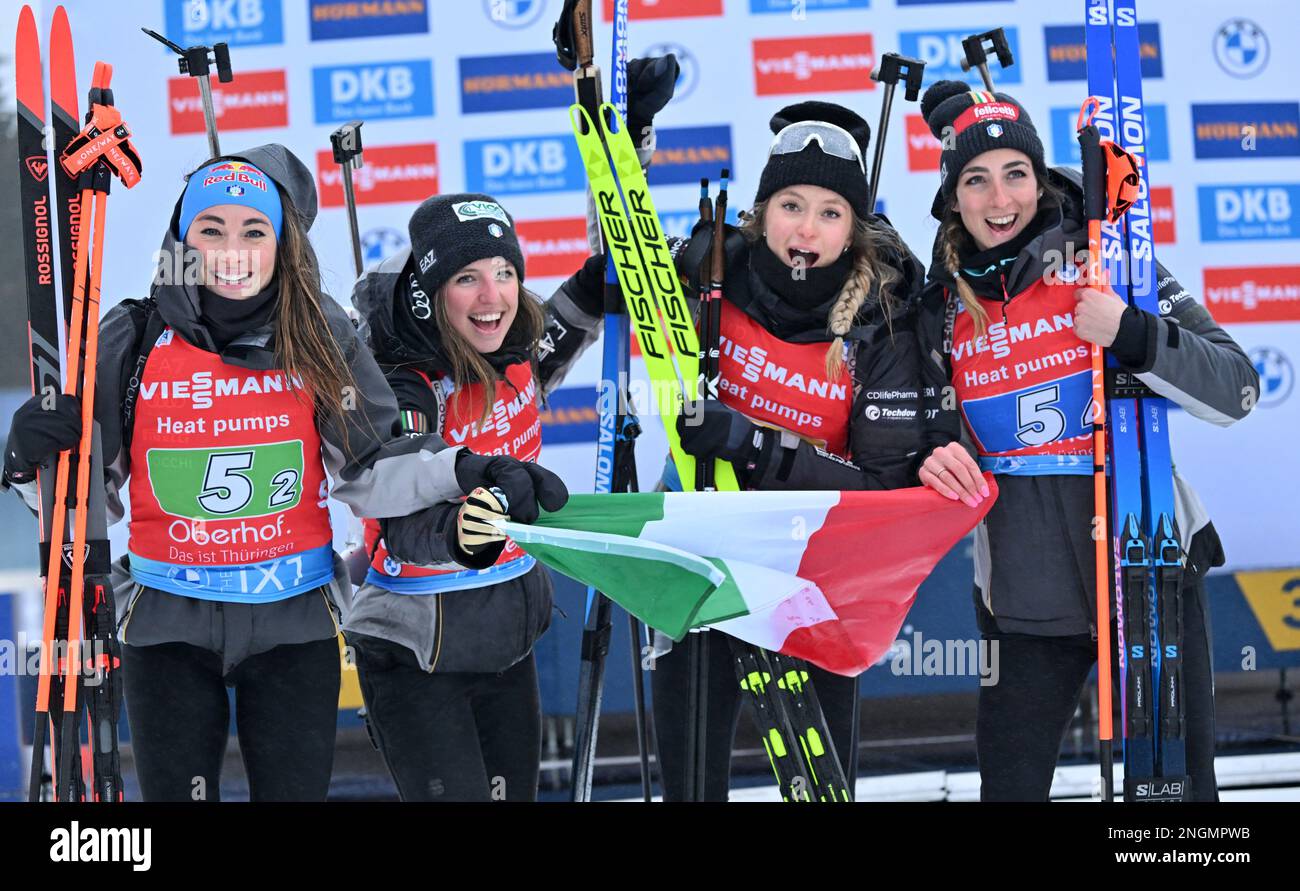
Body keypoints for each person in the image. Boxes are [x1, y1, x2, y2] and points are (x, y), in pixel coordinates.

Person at [2, 145, 560, 802]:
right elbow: (88, 506)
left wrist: (466, 469)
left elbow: (371, 465)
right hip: (169, 625)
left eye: (253, 231)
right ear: (182, 243)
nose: (233, 249)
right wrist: (24, 464)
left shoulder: (319, 331)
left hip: (294, 624)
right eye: (211, 230)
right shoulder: (135, 333)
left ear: (280, 243)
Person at [342, 56, 680, 802]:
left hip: (505, 634)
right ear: (433, 296)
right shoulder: (406, 382)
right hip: (417, 647)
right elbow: (391, 499)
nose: (493, 295)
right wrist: (463, 528)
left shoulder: (516, 348)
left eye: (503, 270)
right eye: (467, 278)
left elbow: (597, 283)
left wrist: (632, 145)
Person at [912, 80, 1259, 801]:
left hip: (1148, 566)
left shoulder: (1109, 261)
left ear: (1040, 178)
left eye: (1016, 173)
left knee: (1176, 806)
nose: (998, 197)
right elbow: (920, 430)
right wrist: (931, 452)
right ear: (953, 197)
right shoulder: (941, 308)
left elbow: (1236, 388)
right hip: (1021, 599)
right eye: (975, 179)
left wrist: (1132, 334)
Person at [653, 100, 928, 800]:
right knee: (691, 779)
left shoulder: (882, 319)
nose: (806, 229)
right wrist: (634, 133)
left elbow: (880, 489)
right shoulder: (709, 273)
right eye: (791, 205)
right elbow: (620, 259)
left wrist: (755, 446)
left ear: (853, 229)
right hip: (702, 551)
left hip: (812, 568)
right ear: (761, 210)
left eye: (831, 212)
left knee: (821, 782)